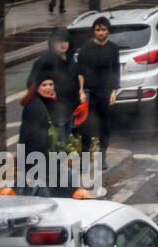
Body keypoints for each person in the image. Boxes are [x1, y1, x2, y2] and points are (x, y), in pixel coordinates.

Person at [27, 27, 82, 147]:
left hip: (71, 110)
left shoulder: (70, 59)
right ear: (52, 42)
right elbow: (32, 83)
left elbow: (76, 79)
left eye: (66, 41)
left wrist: (80, 95)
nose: (63, 44)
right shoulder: (45, 61)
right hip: (55, 112)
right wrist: (49, 94)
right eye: (59, 41)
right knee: (59, 146)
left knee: (67, 144)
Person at [76, 17, 119, 172]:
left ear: (108, 31)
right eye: (98, 30)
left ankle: (102, 157)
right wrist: (81, 91)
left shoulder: (113, 49)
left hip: (106, 92)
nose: (101, 33)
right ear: (94, 31)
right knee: (86, 128)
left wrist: (114, 91)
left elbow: (115, 70)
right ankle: (85, 160)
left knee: (104, 126)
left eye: (103, 29)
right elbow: (80, 72)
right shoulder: (86, 49)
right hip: (90, 93)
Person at [18, 78, 62, 197]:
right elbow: (32, 138)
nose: (48, 88)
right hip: (36, 162)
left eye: (51, 84)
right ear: (37, 88)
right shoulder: (34, 107)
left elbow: (56, 125)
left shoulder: (47, 103)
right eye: (44, 85)